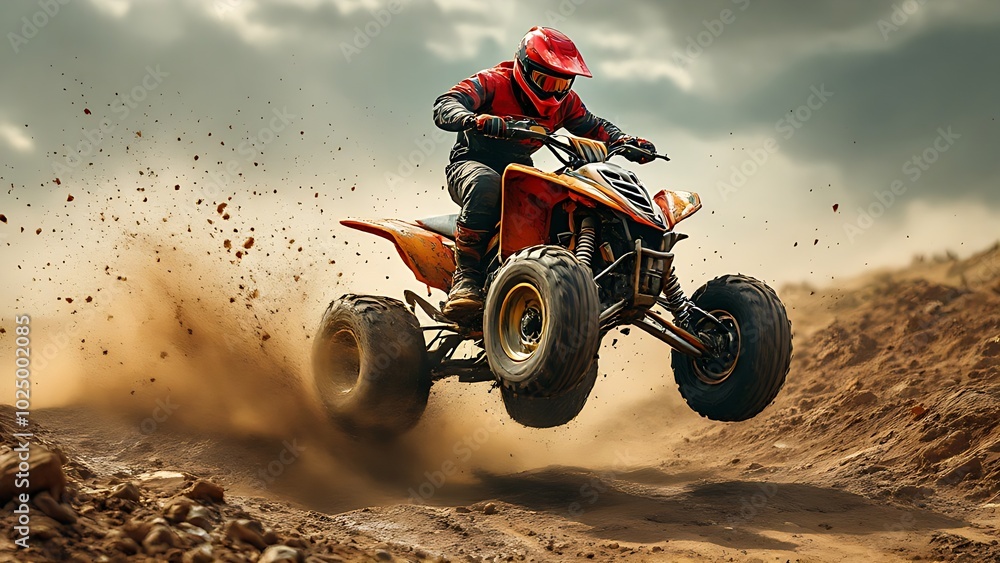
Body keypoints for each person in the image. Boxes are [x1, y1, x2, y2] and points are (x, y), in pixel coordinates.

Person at [433, 26, 656, 320]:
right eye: (544, 80)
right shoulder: (492, 82)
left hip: (520, 171)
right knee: (487, 185)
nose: (552, 91)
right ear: (524, 69)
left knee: (559, 196)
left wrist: (624, 141)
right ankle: (467, 279)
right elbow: (444, 104)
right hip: (471, 163)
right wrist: (475, 120)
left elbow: (595, 126)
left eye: (561, 84)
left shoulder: (566, 103)